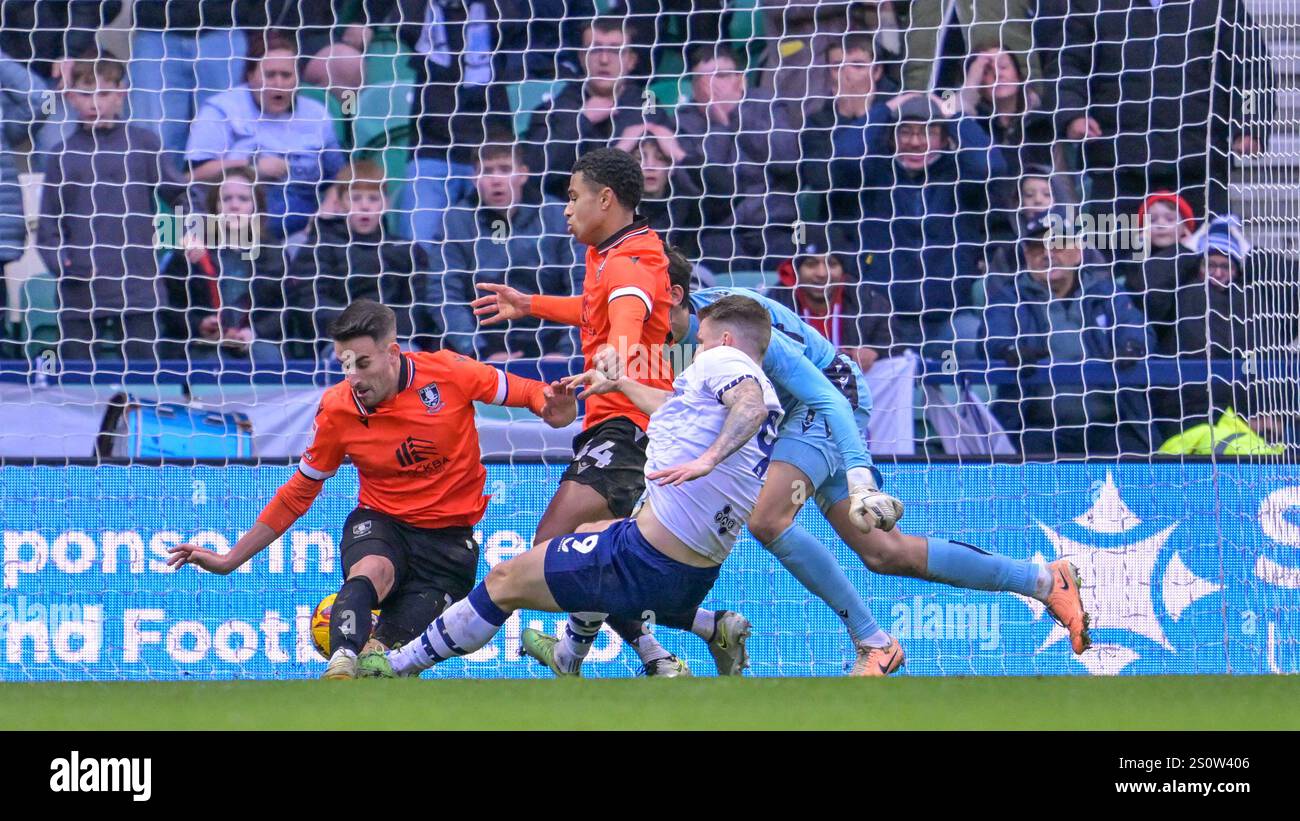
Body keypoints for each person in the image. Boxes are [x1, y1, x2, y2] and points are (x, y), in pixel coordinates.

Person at [570, 250, 1091, 676]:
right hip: (779, 422)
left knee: (768, 518)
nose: (629, 309)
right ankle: (1045, 581)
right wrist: (532, 307)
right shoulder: (659, 340)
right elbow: (596, 319)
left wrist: (862, 478)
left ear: (675, 297)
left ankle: (873, 641)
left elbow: (828, 396)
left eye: (640, 299)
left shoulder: (738, 322)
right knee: (886, 553)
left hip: (825, 404)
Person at [365, 295, 783, 679]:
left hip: (647, 560)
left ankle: (399, 665)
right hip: (691, 573)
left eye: (703, 341)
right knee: (587, 536)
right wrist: (619, 385)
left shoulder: (726, 361)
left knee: (505, 579)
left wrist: (707, 459)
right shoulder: (742, 387)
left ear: (726, 339)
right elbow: (677, 409)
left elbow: (749, 404)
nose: (697, 348)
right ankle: (581, 654)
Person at [166, 299, 578, 680]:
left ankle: (367, 662)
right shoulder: (337, 409)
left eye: (363, 363)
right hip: (383, 523)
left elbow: (527, 393)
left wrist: (551, 407)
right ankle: (340, 660)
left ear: (393, 353)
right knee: (372, 570)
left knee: (385, 660)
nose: (354, 378)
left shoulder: (450, 372)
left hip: (449, 543)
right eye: (346, 365)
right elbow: (299, 491)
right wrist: (231, 559)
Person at [469, 147, 685, 673]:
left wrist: (618, 353)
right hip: (618, 423)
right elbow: (596, 309)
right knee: (591, 555)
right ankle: (661, 653)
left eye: (572, 197)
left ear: (605, 199)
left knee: (549, 550)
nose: (565, 210)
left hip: (630, 425)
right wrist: (529, 304)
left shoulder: (633, 259)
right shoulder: (610, 253)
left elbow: (627, 310)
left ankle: (410, 657)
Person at [1053, 0, 1272, 222]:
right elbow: (1069, 63)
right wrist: (1073, 113)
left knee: (1202, 256)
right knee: (1113, 252)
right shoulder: (1092, 4)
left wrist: (1249, 122)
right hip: (1115, 169)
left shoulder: (1218, 4)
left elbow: (1250, 71)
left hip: (1198, 170)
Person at [36, 50, 185, 375]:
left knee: (144, 381)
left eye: (104, 93)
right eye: (86, 94)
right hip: (81, 291)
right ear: (71, 96)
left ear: (122, 94)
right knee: (76, 382)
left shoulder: (144, 144)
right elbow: (48, 227)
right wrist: (63, 264)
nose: (95, 103)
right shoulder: (61, 155)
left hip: (138, 287)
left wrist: (176, 240)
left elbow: (180, 195)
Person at [985, 207, 1156, 456]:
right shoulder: (1009, 298)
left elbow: (1137, 328)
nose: (1047, 255)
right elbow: (993, 336)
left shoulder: (1106, 293)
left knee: (1136, 457)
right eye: (1037, 249)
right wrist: (1010, 350)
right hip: (1036, 428)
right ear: (1026, 256)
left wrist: (1131, 346)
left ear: (1077, 251)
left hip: (1108, 425)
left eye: (1056, 245)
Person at [185, 30, 346, 239]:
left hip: (304, 223)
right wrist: (251, 167)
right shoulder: (221, 110)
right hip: (238, 223)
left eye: (286, 75)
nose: (278, 83)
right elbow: (191, 177)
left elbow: (342, 177)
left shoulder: (317, 114)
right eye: (270, 75)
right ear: (251, 76)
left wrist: (325, 210)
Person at [431, 139, 580, 361]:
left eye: (505, 169)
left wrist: (567, 351)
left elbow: (581, 286)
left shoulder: (558, 216)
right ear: (475, 178)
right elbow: (443, 294)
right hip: (484, 344)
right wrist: (477, 350)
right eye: (487, 171)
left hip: (552, 341)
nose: (496, 180)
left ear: (522, 174)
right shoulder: (455, 221)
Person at [675, 46, 801, 273]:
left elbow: (786, 158)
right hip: (717, 230)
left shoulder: (766, 103)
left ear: (740, 80)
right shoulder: (684, 123)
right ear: (693, 87)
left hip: (774, 225)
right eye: (704, 79)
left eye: (722, 76)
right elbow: (705, 186)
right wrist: (719, 125)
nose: (713, 85)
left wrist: (736, 114)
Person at [285, 159, 432, 354]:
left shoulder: (406, 250)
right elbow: (310, 300)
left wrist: (383, 331)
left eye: (373, 199)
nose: (364, 206)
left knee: (407, 358)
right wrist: (355, 329)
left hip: (394, 343)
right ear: (340, 202)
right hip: (341, 342)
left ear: (386, 203)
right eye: (355, 198)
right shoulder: (320, 246)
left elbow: (419, 303)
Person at [159, 165, 291, 366]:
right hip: (200, 345)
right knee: (206, 365)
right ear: (214, 206)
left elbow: (285, 308)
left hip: (256, 342)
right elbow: (169, 307)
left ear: (257, 207)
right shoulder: (191, 251)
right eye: (226, 199)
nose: (234, 206)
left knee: (267, 359)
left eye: (243, 199)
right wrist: (199, 325)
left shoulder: (274, 252)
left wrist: (253, 332)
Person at [522, 16, 659, 202]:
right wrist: (583, 121)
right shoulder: (553, 110)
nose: (604, 60)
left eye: (614, 50)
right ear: (581, 57)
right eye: (595, 50)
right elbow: (535, 173)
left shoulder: (648, 105)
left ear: (631, 60)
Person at [765, 225, 898, 375]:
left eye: (832, 264)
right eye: (811, 264)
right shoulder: (776, 304)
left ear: (843, 269)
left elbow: (896, 343)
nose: (822, 273)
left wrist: (875, 352)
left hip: (856, 386)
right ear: (796, 269)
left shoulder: (868, 301)